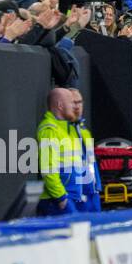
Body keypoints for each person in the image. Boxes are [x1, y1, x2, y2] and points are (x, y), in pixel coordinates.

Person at [36, 87, 101, 215]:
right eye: (71, 102)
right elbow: (48, 169)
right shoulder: (50, 129)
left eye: (78, 102)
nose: (75, 107)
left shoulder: (71, 130)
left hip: (79, 196)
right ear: (60, 105)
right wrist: (62, 199)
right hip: (59, 200)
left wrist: (96, 188)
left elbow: (86, 164)